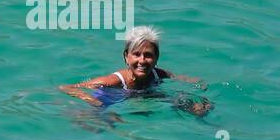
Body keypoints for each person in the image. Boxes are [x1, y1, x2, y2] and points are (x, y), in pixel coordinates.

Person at [59, 26, 212, 116]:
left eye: (148, 55)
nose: (142, 61)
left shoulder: (158, 73)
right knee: (106, 122)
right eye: (136, 54)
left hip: (141, 96)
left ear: (156, 58)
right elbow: (67, 87)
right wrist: (93, 101)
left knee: (184, 102)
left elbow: (178, 77)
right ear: (126, 57)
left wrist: (199, 84)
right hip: (109, 98)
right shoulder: (113, 80)